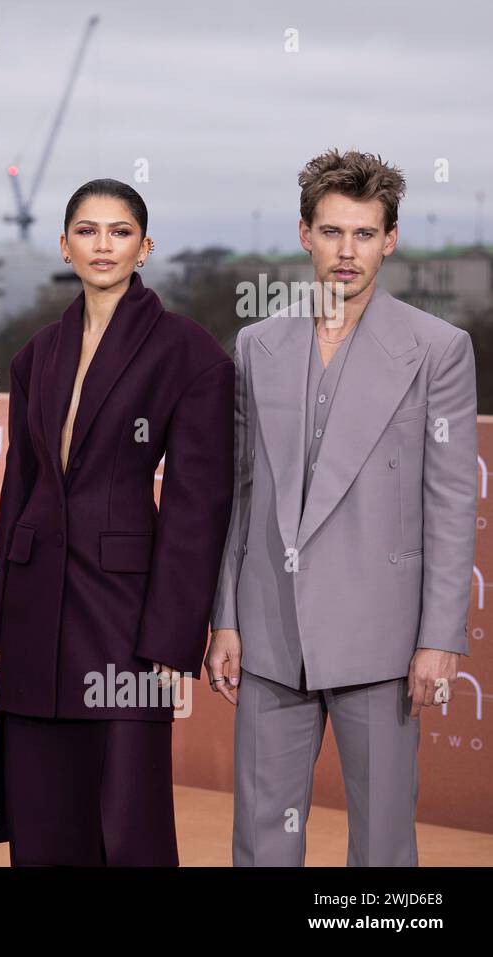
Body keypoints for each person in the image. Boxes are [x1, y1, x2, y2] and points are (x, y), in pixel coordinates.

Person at [207, 149, 477, 866]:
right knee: (262, 841)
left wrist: (440, 636)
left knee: (383, 846)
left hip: (382, 639)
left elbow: (452, 502)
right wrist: (227, 615)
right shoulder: (258, 343)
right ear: (304, 234)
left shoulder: (437, 349)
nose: (347, 252)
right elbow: (242, 489)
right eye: (332, 232)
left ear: (390, 238)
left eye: (364, 234)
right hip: (269, 631)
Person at [0, 179, 234, 866]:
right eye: (87, 230)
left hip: (126, 613)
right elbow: (19, 489)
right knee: (40, 807)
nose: (103, 245)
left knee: (127, 815)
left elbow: (194, 506)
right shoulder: (35, 354)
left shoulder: (189, 351)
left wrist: (176, 642)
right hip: (34, 608)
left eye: (120, 231)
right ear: (64, 245)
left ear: (145, 247)